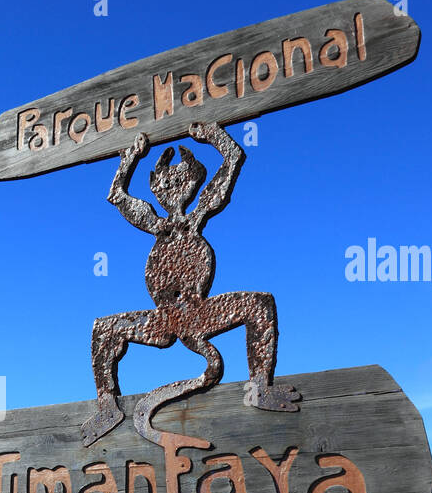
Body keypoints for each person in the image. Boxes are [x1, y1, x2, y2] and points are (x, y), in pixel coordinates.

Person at [81, 122, 299, 447]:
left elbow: (233, 158)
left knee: (259, 304)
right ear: (155, 186)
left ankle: (260, 387)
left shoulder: (201, 211)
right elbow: (116, 195)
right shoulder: (153, 221)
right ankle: (107, 407)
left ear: (194, 180)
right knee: (104, 329)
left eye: (181, 179)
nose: (173, 187)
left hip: (199, 311)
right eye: (166, 182)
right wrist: (129, 159)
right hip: (163, 318)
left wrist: (212, 135)